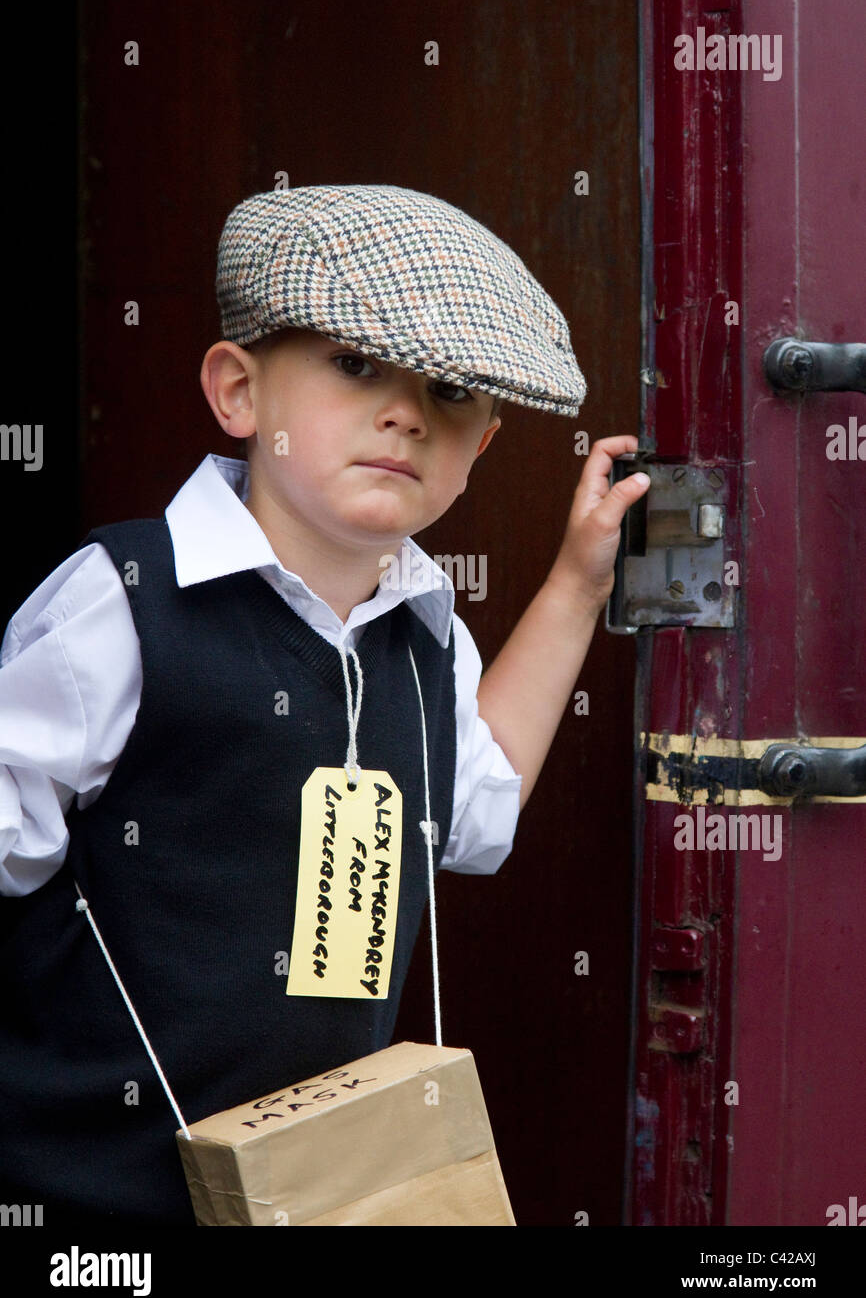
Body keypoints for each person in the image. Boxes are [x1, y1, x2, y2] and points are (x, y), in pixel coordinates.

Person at [0, 184, 650, 1225]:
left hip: (320, 1198)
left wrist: (577, 583)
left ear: (480, 445)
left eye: (447, 390)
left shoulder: (423, 636)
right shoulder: (117, 604)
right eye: (354, 366)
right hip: (90, 1196)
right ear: (238, 393)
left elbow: (476, 806)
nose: (404, 411)